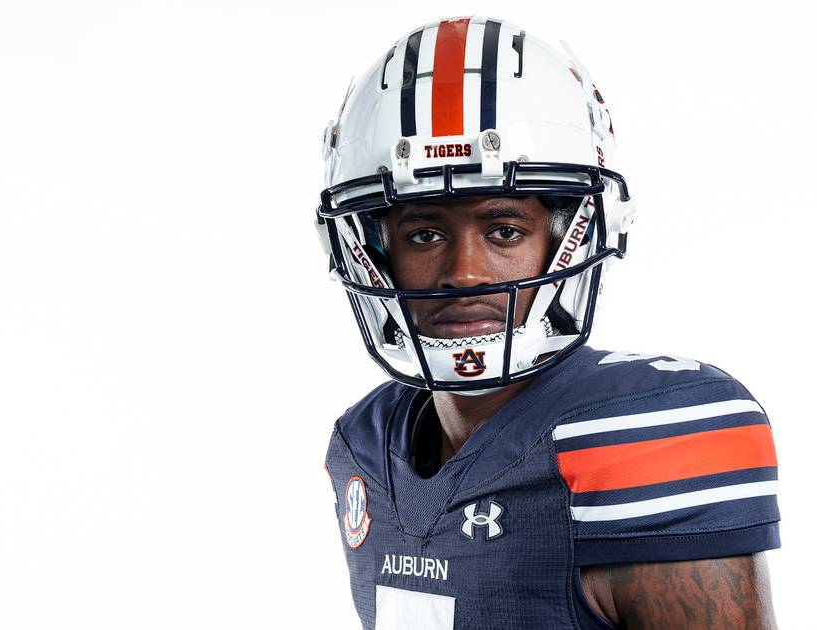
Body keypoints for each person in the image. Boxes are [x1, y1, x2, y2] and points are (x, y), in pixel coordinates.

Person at [316, 16, 780, 629]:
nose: (465, 273)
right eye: (424, 234)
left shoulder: (648, 433)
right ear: (373, 251)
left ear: (568, 236)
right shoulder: (364, 443)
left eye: (504, 230)